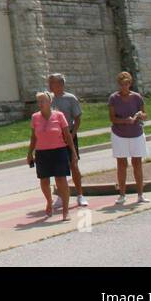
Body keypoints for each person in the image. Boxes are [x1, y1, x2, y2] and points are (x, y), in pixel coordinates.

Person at [27, 91, 75, 221]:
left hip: (59, 151)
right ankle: (49, 201)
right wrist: (30, 153)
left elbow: (67, 135)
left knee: (61, 180)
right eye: (38, 101)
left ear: (49, 102)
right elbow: (33, 137)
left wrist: (73, 153)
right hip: (42, 153)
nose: (40, 103)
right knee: (44, 181)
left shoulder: (59, 115)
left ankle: (65, 210)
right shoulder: (35, 117)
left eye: (43, 101)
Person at [109, 70, 148, 205]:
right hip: (119, 134)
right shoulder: (114, 98)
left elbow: (145, 115)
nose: (124, 87)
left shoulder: (137, 97)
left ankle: (140, 195)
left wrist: (141, 115)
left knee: (137, 163)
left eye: (126, 84)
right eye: (122, 84)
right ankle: (122, 195)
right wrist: (125, 120)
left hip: (136, 133)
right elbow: (112, 118)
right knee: (121, 164)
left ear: (130, 84)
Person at [49, 73, 88, 208]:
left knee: (73, 165)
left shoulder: (70, 98)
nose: (50, 85)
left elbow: (77, 118)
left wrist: (72, 134)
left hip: (69, 135)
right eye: (50, 83)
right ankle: (61, 196)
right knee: (58, 167)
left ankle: (80, 195)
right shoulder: (48, 99)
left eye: (53, 82)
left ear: (61, 84)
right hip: (54, 137)